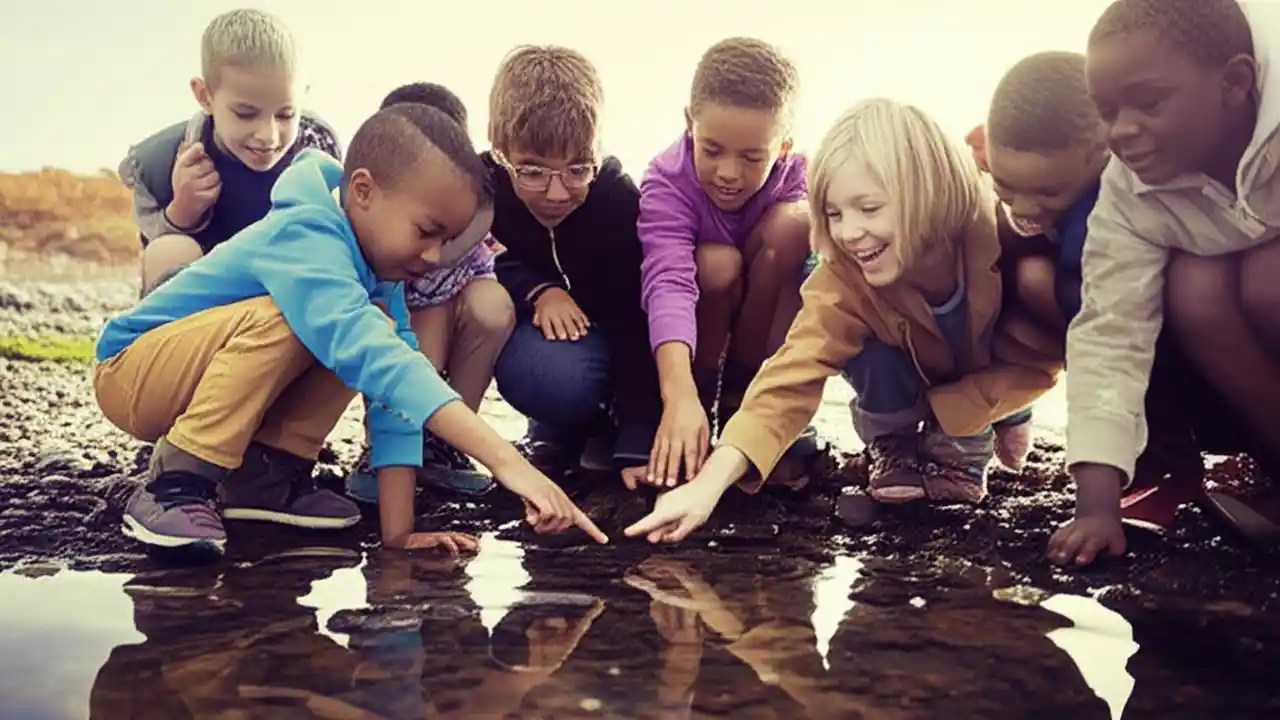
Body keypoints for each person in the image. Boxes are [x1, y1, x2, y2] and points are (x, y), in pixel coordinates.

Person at [93, 104, 607, 558]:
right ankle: (176, 483)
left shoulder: (375, 272)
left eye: (445, 242)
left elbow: (397, 392)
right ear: (362, 191)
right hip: (133, 372)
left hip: (197, 376)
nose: (432, 258)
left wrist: (398, 535)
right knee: (310, 322)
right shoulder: (307, 235)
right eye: (426, 233)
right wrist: (506, 462)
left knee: (376, 328)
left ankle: (267, 478)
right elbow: (369, 351)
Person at [626, 99, 1062, 543]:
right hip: (912, 356)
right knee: (862, 347)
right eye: (835, 214)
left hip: (994, 364)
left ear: (926, 190)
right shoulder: (845, 273)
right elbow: (791, 374)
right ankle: (898, 442)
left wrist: (961, 413)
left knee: (1016, 334)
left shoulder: (1006, 232)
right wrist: (706, 486)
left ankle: (980, 429)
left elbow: (1054, 351)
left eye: (869, 208)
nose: (849, 232)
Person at [1052, 0, 1280, 567]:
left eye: (1149, 102)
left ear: (1234, 82)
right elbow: (1109, 332)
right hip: (1233, 366)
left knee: (1265, 281)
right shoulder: (1128, 191)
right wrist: (1096, 506)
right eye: (1107, 110)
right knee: (1195, 287)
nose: (1122, 130)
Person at [969, 51, 1207, 530]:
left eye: (1049, 193)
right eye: (1006, 185)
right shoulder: (1024, 165)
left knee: (1074, 300)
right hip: (1101, 319)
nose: (1025, 205)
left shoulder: (1106, 212)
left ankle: (1167, 461)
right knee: (1022, 284)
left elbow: (1112, 326)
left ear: (1104, 153)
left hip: (1159, 331)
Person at [484, 45, 664, 486]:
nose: (557, 192)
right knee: (547, 374)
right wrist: (539, 290)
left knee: (610, 352)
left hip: (610, 339)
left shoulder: (619, 203)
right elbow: (478, 258)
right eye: (531, 171)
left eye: (578, 169)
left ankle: (616, 422)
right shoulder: (479, 188)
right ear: (497, 144)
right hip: (541, 336)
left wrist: (639, 440)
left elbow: (634, 319)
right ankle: (554, 427)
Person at [638, 37, 813, 488]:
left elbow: (824, 295)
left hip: (765, 333)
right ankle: (694, 408)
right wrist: (678, 394)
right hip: (701, 334)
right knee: (716, 264)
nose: (729, 173)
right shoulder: (667, 181)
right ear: (689, 125)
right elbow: (667, 283)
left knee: (796, 227)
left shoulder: (803, 177)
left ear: (784, 147)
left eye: (752, 157)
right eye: (712, 150)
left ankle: (753, 405)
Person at [345, 82, 514, 502]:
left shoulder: (475, 202)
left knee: (490, 307)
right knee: (393, 342)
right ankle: (381, 451)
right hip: (385, 300)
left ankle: (445, 445)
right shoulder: (362, 218)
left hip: (447, 296)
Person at [118, 8, 342, 296]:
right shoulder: (158, 163)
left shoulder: (318, 150)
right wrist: (181, 213)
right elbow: (152, 257)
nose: (268, 136)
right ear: (205, 96)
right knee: (169, 249)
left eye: (286, 115)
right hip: (204, 304)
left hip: (287, 295)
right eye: (245, 114)